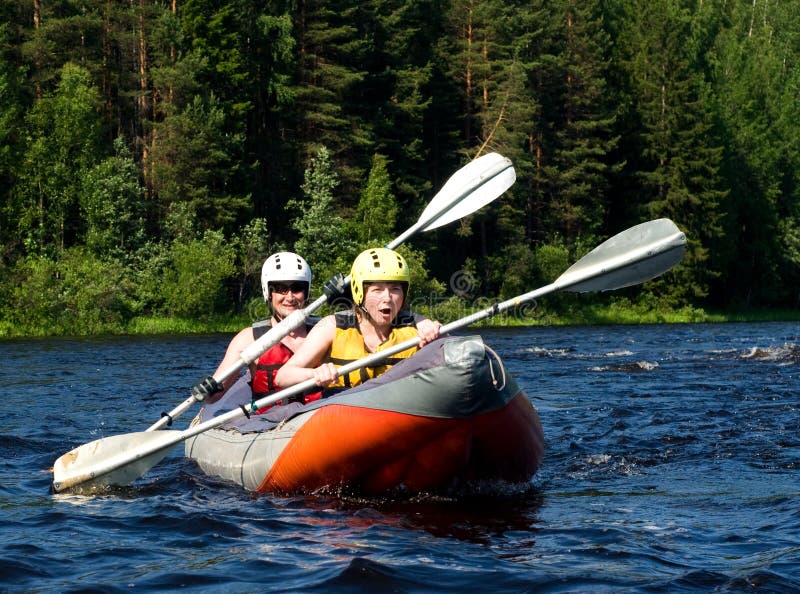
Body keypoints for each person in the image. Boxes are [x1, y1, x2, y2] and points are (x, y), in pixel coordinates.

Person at [274, 247, 442, 392]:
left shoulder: (416, 328)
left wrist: (432, 330)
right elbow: (283, 377)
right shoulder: (331, 327)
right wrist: (315, 373)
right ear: (359, 292)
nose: (388, 298)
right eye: (377, 290)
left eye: (395, 289)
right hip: (342, 416)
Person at [191, 251, 320, 407]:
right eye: (281, 289)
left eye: (297, 288)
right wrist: (207, 389)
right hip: (269, 422)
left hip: (315, 417)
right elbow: (214, 397)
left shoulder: (323, 331)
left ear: (306, 291)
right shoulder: (248, 339)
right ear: (268, 292)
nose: (290, 297)